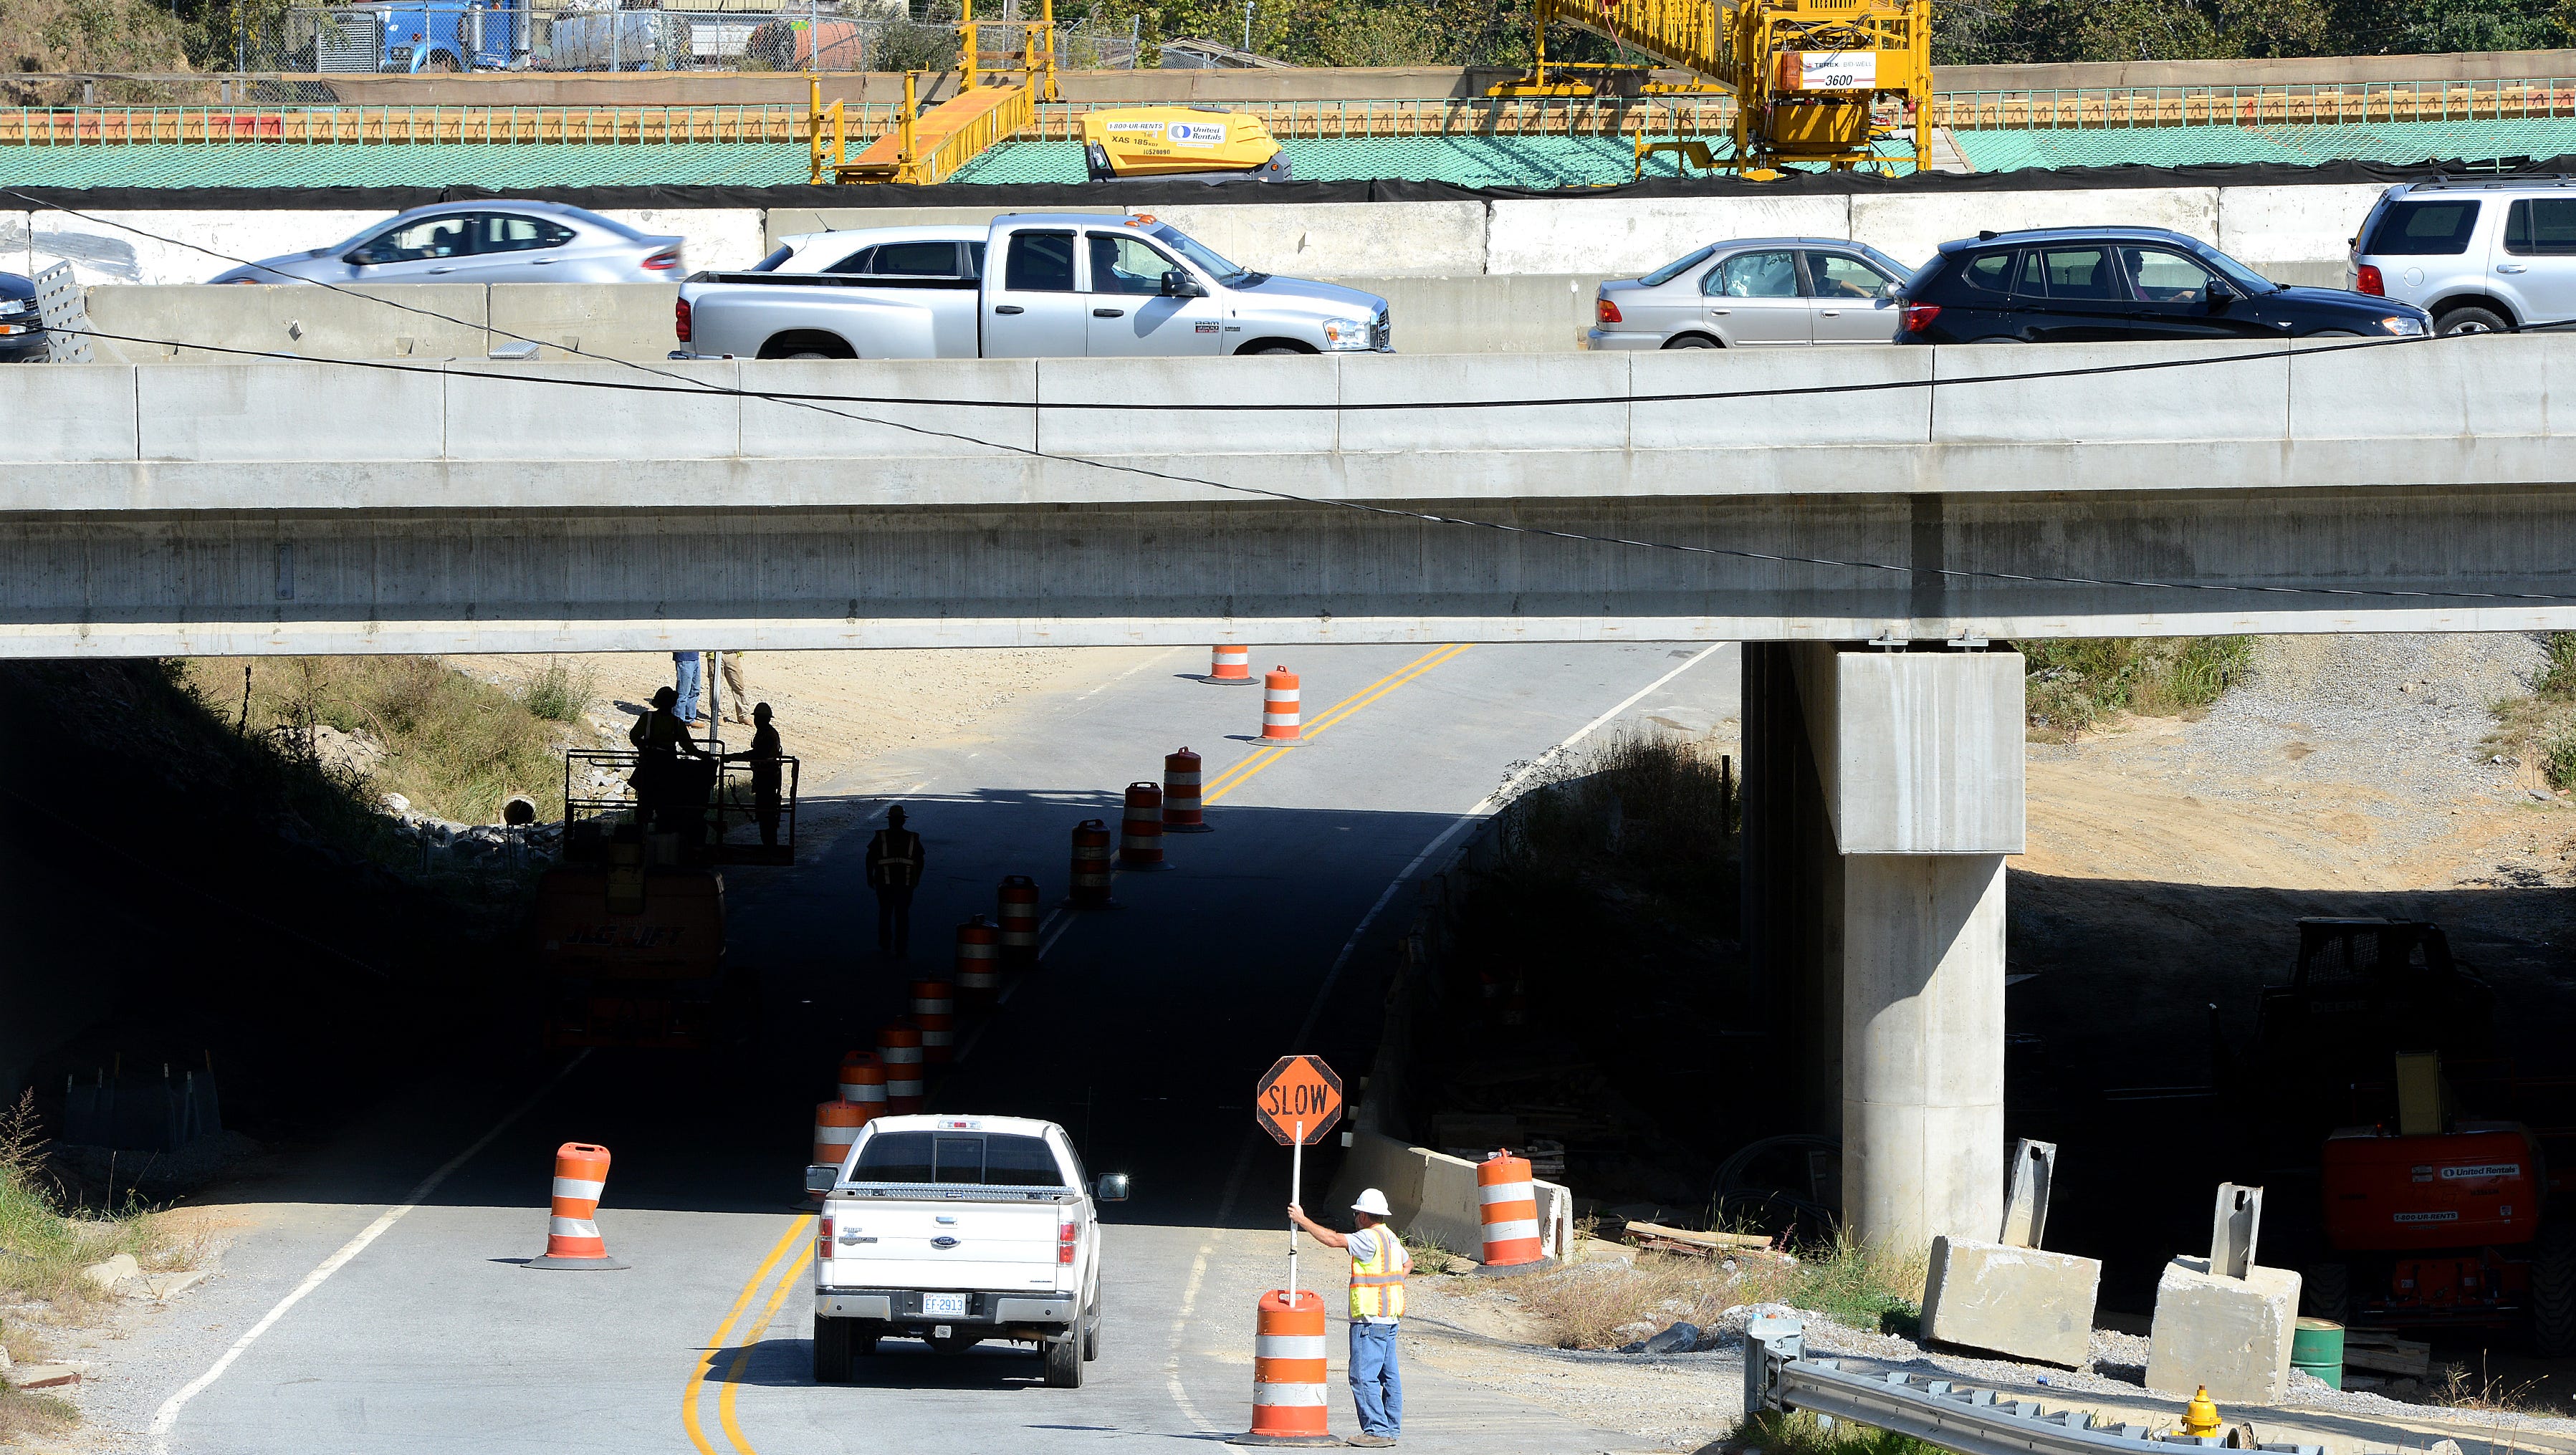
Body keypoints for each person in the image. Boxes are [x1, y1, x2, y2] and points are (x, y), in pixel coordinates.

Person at [1288, 1190, 1409, 1446]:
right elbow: (1407, 1265)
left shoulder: (1367, 1238)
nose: (1356, 1218)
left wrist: (1302, 1220)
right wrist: (1393, 1287)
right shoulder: (1391, 1238)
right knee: (1389, 1377)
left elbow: (1332, 1240)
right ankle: (1390, 1429)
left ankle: (1376, 1430)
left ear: (1364, 1216)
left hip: (1369, 1320)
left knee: (1362, 1376)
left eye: (1357, 1214)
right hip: (1389, 1318)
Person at [628, 686, 709, 832]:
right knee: (663, 805)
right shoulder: (675, 722)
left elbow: (634, 736)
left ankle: (643, 836)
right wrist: (704, 756)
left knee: (647, 804)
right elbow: (689, 747)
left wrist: (643, 749)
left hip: (651, 766)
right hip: (665, 767)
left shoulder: (649, 718)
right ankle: (661, 837)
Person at [865, 805, 924, 958]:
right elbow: (920, 861)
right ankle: (901, 947)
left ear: (890, 821)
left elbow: (870, 858)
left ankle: (885, 943)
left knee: (885, 912)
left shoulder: (881, 837)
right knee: (902, 915)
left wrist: (869, 876)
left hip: (884, 883)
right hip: (905, 884)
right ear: (903, 821)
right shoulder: (912, 838)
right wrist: (916, 878)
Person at [724, 701, 785, 847]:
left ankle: (770, 846)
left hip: (767, 778)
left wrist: (734, 756)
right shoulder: (765, 733)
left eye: (758, 718)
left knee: (766, 814)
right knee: (765, 814)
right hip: (765, 777)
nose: (756, 721)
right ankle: (769, 845)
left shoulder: (768, 735)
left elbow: (758, 754)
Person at [672, 650, 706, 728]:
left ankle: (689, 719)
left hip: (695, 657)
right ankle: (678, 722)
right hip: (684, 658)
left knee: (694, 690)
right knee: (683, 693)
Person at [719, 651, 753, 727]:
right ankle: (717, 716)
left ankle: (743, 715)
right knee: (716, 687)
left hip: (732, 654)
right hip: (715, 654)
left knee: (738, 685)